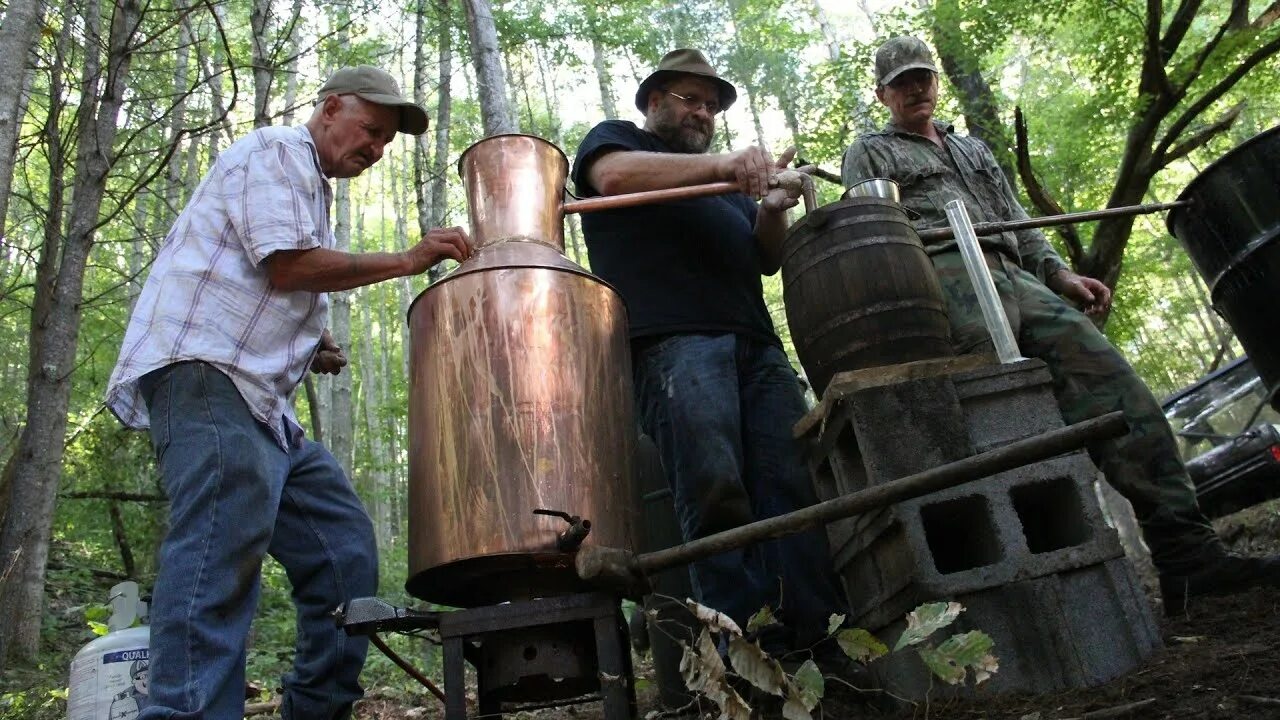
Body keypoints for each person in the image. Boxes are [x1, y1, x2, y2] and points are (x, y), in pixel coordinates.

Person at [841, 36, 1280, 610]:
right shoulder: (869, 151)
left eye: (922, 75)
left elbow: (1016, 220)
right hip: (940, 274)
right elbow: (871, 236)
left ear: (936, 80)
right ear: (882, 94)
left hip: (1016, 273)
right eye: (901, 81)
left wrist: (1060, 274)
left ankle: (1185, 556)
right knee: (999, 413)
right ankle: (1030, 588)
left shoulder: (971, 148)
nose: (915, 87)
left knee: (1115, 388)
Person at [105, 65, 471, 719]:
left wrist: (312, 344)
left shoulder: (309, 189)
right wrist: (410, 260)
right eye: (370, 130)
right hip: (209, 377)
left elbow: (279, 278)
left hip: (264, 406)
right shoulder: (278, 149)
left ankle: (317, 708)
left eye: (387, 140)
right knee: (218, 548)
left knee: (344, 548)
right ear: (330, 108)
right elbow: (286, 265)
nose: (376, 148)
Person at [570, 49, 850, 658]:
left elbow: (765, 257)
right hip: (673, 345)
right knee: (713, 489)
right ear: (651, 102)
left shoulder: (723, 184)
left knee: (793, 491)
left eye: (711, 105)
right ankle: (745, 658)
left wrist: (772, 209)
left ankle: (820, 652)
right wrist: (726, 164)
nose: (702, 112)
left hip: (757, 347)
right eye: (687, 98)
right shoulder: (615, 142)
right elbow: (612, 179)